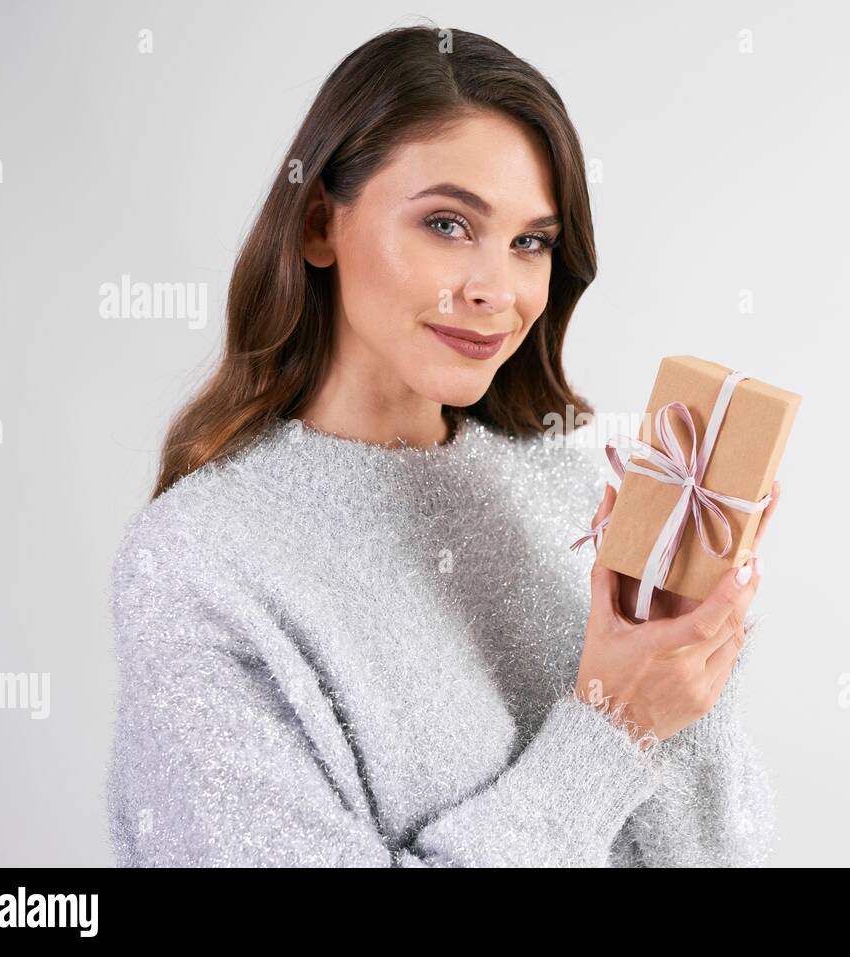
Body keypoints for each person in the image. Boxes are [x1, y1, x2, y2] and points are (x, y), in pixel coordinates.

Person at [105, 22, 778, 867]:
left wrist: (685, 670)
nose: (497, 290)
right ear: (320, 224)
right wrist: (614, 726)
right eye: (449, 225)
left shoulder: (574, 505)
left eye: (531, 241)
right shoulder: (202, 562)